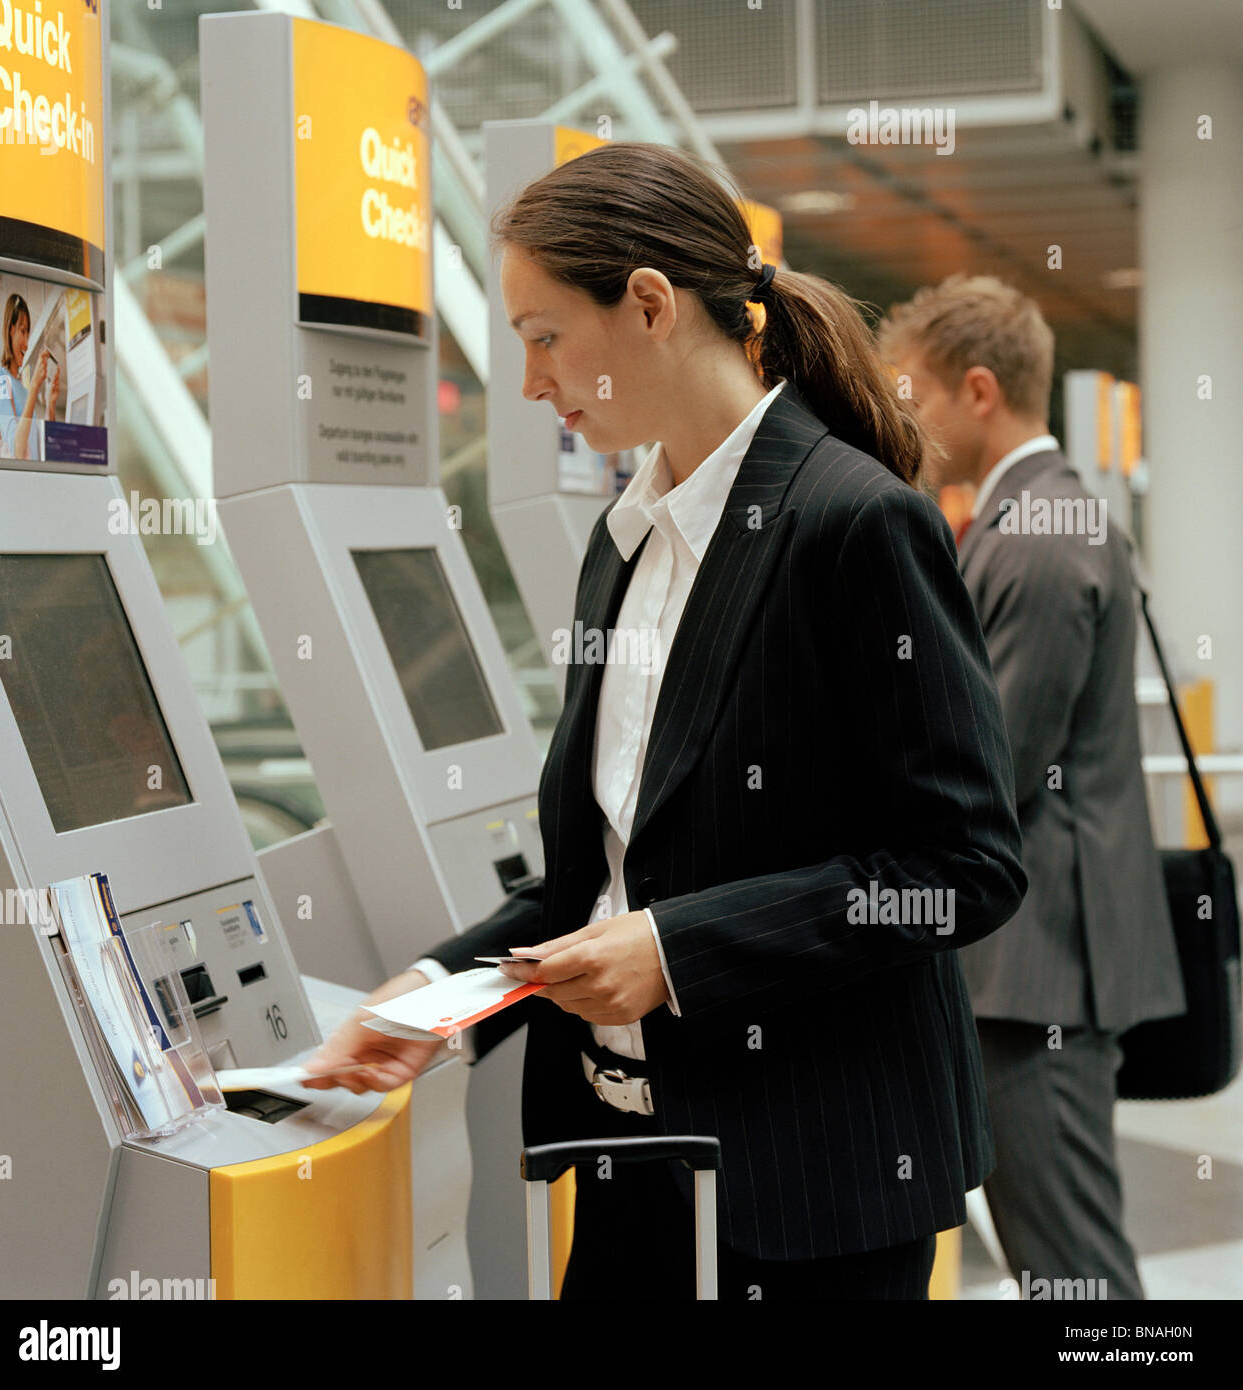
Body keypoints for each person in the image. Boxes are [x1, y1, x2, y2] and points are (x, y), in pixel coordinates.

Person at [306, 143, 1026, 1301]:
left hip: (807, 1194)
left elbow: (963, 864)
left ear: (647, 303)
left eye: (542, 336)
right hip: (632, 1160)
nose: (531, 382)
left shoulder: (852, 525)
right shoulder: (625, 544)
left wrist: (677, 951)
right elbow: (603, 874)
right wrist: (436, 996)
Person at [878, 274, 1185, 1300]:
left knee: (1071, 1268)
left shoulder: (1038, 535)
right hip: (1038, 960)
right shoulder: (1032, 515)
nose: (900, 415)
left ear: (975, 389)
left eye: (910, 391)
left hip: (1040, 969)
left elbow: (991, 766)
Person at [0, 293, 59, 462]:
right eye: (23, 331)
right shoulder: (1, 377)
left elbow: (43, 448)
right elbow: (17, 450)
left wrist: (51, 405)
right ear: (10, 330)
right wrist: (35, 385)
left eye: (28, 333)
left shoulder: (23, 388)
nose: (27, 342)